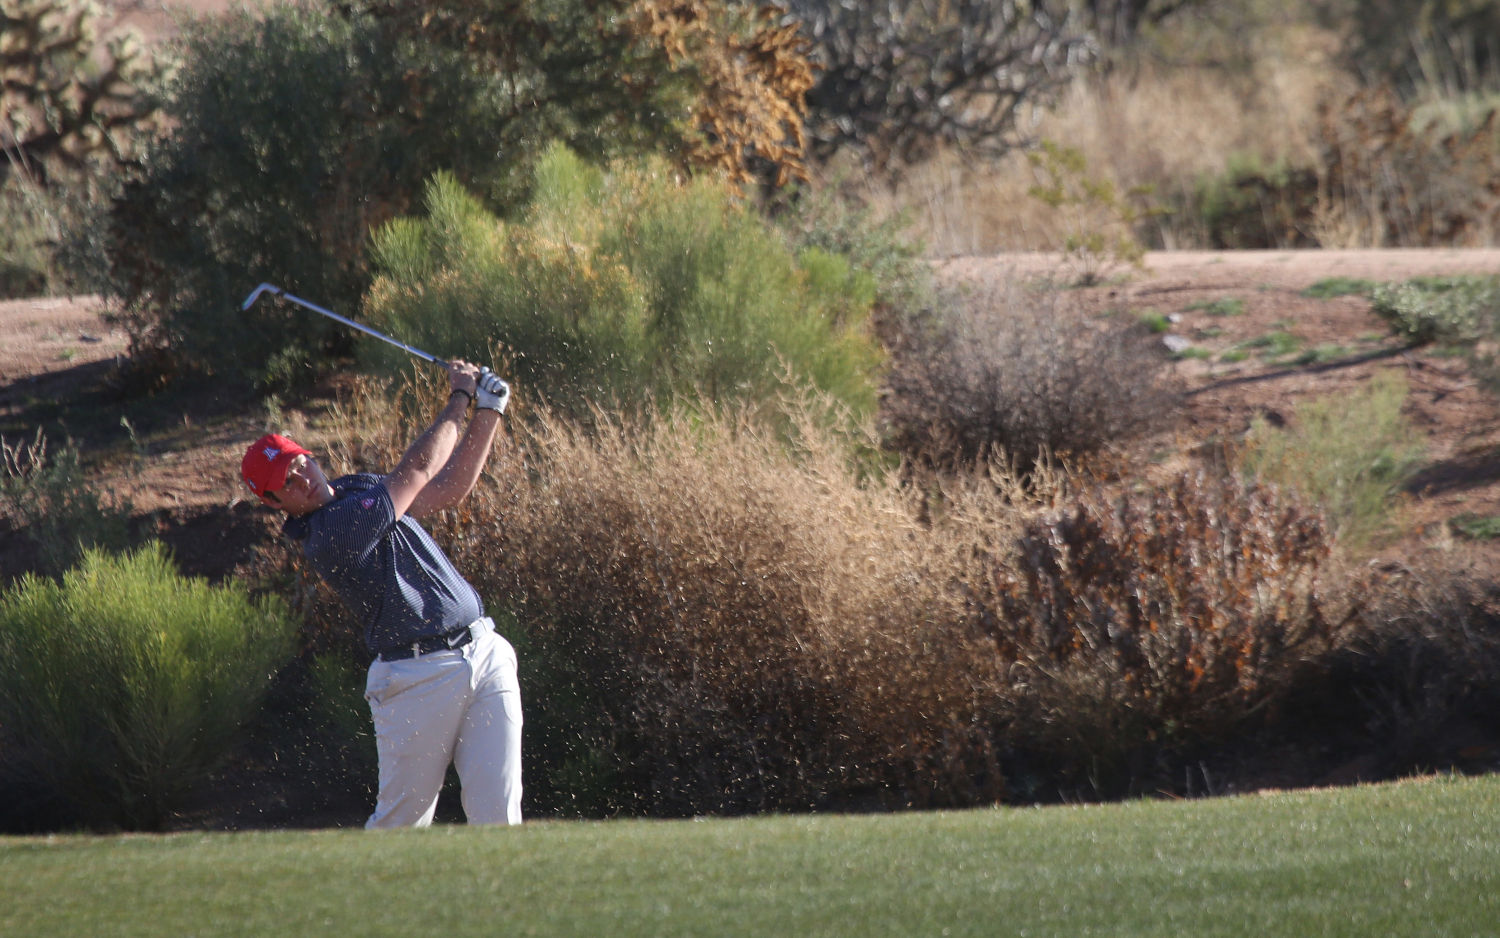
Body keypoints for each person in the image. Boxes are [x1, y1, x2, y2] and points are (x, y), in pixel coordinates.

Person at [240, 360, 521, 828]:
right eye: (285, 484)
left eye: (298, 464)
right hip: (416, 678)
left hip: (485, 652)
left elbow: (449, 487)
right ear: (274, 504)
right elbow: (421, 466)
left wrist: (489, 410)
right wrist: (459, 397)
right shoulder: (330, 533)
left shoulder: (359, 489)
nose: (301, 479)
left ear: (308, 453)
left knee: (499, 816)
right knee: (402, 825)